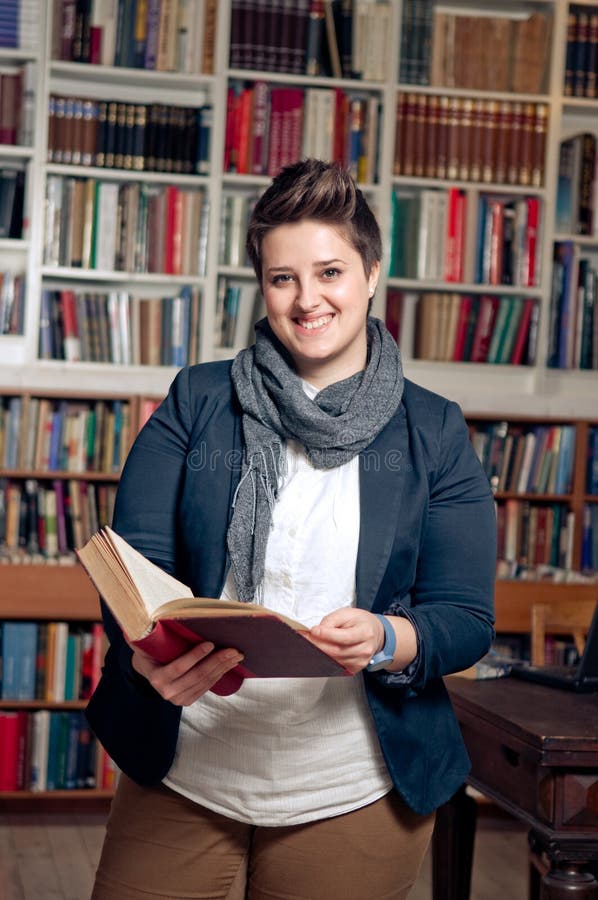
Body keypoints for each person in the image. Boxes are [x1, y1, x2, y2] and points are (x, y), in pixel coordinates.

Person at [87, 158, 496, 900]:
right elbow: (132, 571)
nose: (308, 300)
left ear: (372, 273)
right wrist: (145, 655)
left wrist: (384, 637)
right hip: (187, 766)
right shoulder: (199, 399)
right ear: (263, 288)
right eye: (283, 278)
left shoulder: (434, 430)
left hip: (354, 784)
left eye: (330, 272)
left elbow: (464, 618)